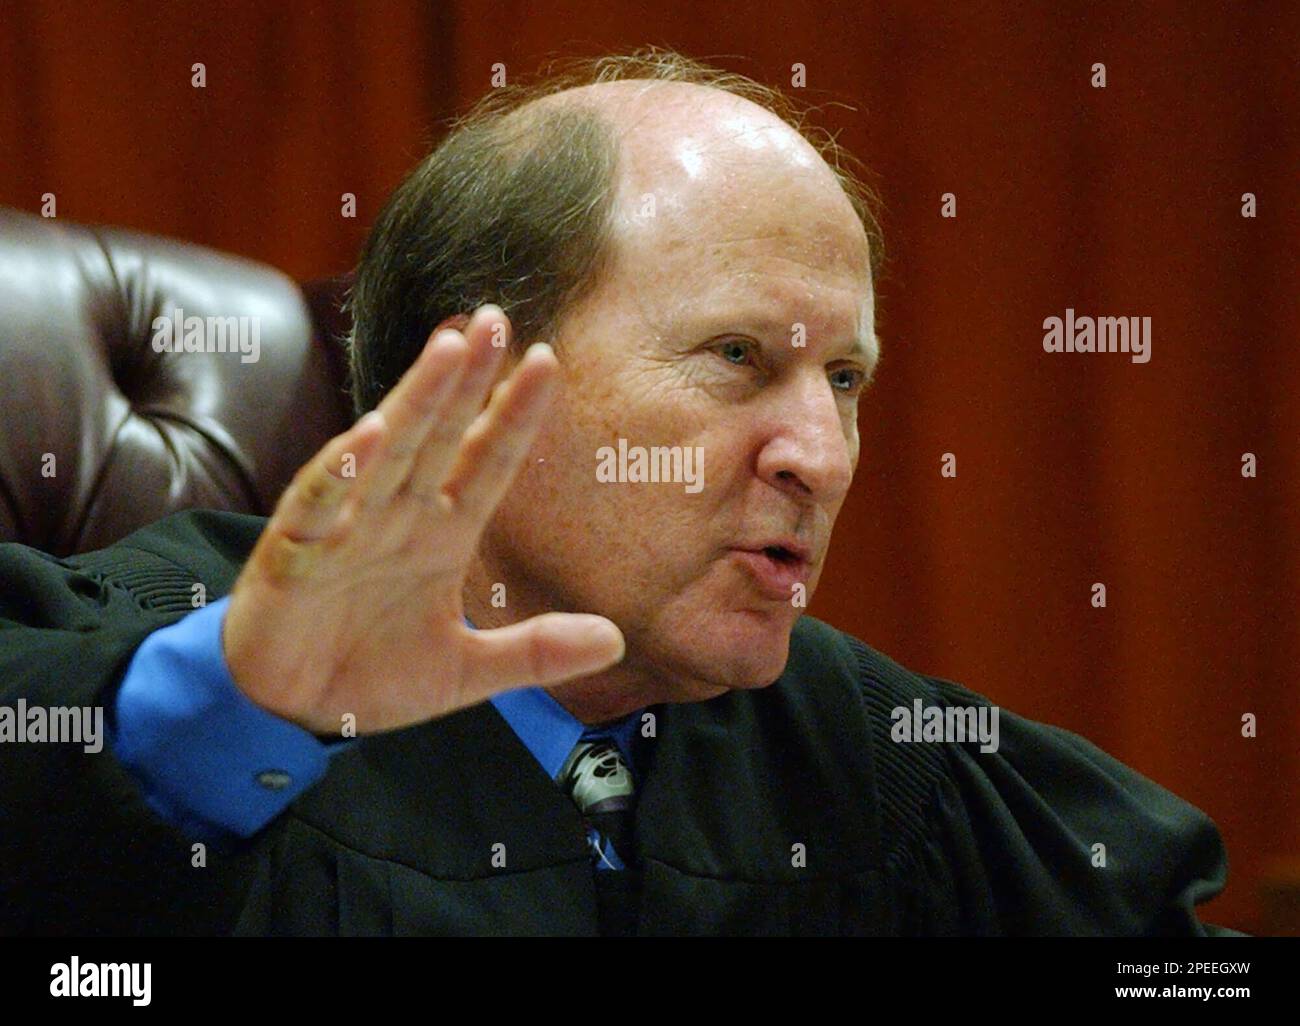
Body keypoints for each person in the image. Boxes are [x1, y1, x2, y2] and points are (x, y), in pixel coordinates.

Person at [0, 49, 1240, 936]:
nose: (819, 449)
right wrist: (233, 709)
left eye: (847, 375)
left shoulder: (868, 757)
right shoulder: (160, 641)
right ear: (478, 379)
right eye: (736, 358)